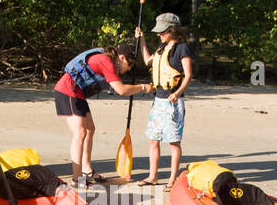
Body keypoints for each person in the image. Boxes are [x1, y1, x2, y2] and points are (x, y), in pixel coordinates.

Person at [54, 42, 150, 185]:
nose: (129, 69)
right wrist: (143, 87)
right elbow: (121, 90)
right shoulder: (107, 62)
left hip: (78, 93)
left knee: (89, 129)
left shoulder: (109, 61)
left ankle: (87, 169)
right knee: (80, 133)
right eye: (130, 64)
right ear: (122, 58)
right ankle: (77, 178)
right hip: (67, 90)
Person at [135, 12, 194, 188]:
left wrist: (178, 93)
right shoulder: (161, 48)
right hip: (158, 101)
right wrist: (142, 39)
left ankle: (172, 179)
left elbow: (188, 75)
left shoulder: (182, 48)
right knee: (153, 140)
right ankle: (152, 176)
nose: (159, 34)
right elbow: (147, 60)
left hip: (173, 102)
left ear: (172, 30)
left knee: (173, 142)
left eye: (162, 31)